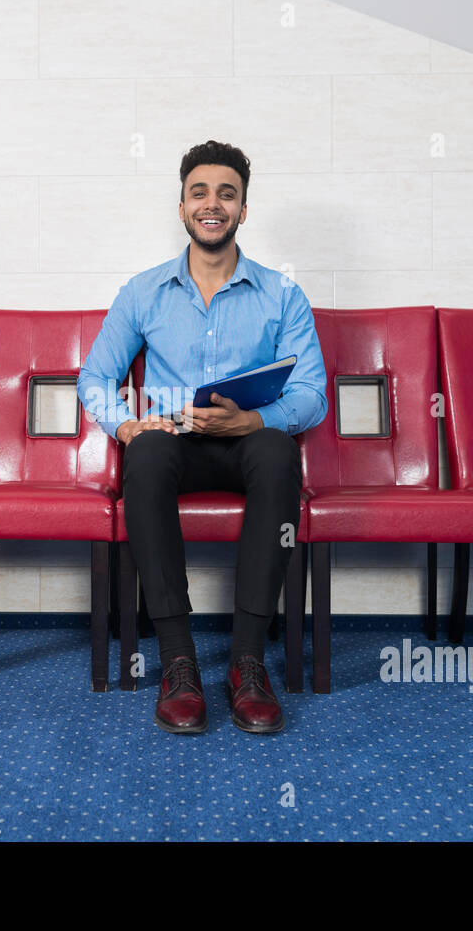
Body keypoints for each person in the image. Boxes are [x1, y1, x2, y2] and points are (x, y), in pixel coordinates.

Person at [78, 140, 327, 734]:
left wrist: (253, 420)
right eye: (200, 192)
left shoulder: (282, 294)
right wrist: (126, 423)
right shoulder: (143, 292)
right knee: (148, 448)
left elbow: (312, 395)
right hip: (176, 445)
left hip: (246, 446)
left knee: (275, 450)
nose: (212, 204)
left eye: (226, 193)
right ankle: (178, 662)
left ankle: (247, 663)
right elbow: (95, 376)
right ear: (183, 205)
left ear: (243, 208)